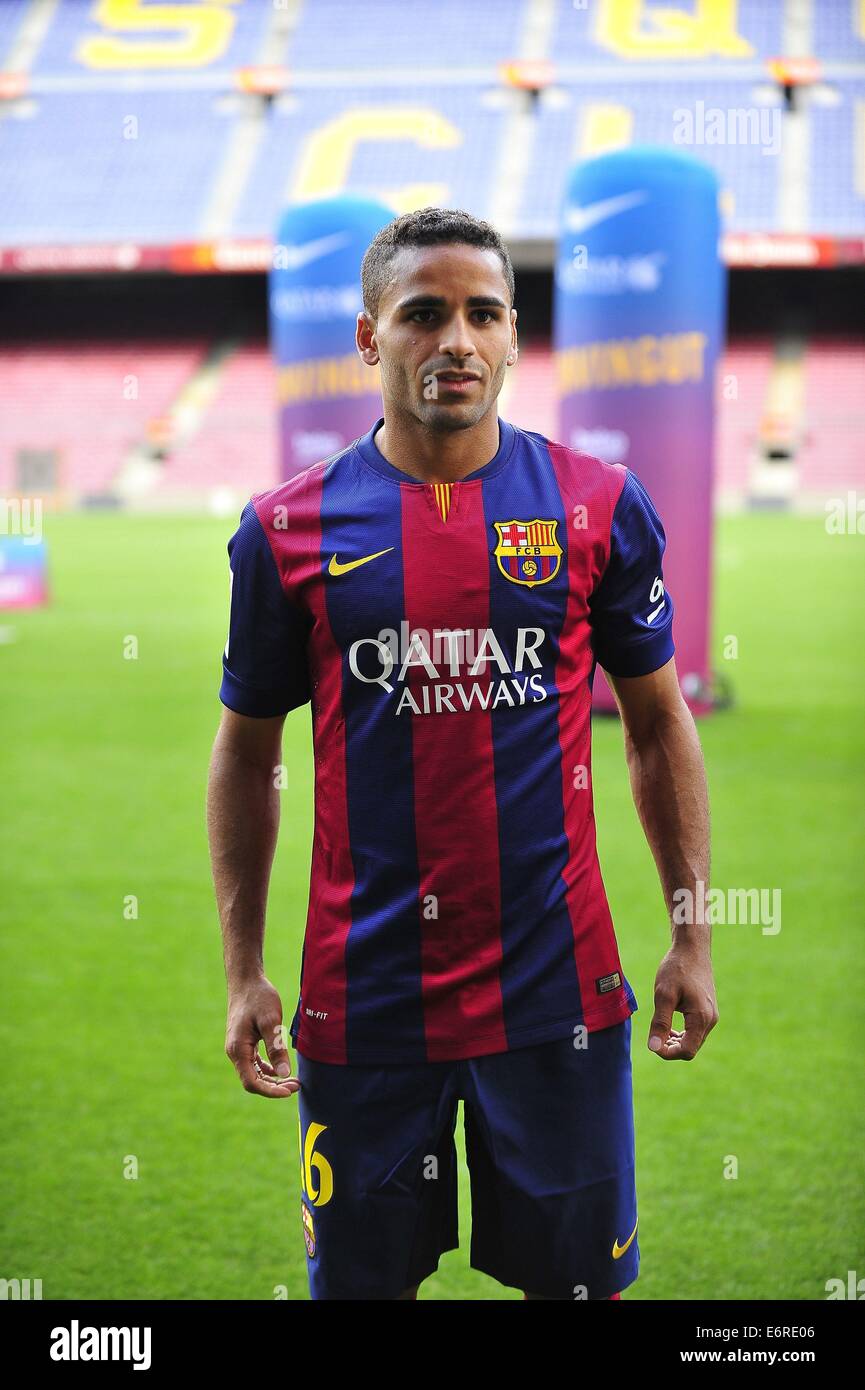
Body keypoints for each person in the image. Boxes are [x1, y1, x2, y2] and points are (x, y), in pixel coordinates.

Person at [207, 206, 717, 1302]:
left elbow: (658, 722)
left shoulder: (597, 507)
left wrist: (689, 933)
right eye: (423, 314)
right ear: (367, 337)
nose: (456, 341)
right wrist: (245, 968)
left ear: (515, 336)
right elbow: (248, 757)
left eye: (483, 314)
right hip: (366, 1001)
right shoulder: (285, 531)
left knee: (580, 1288)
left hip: (558, 1001)